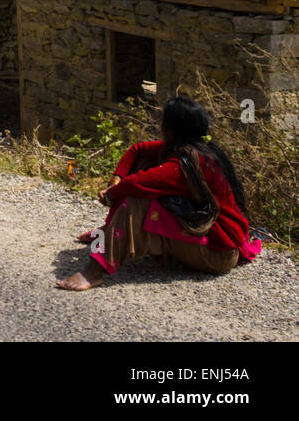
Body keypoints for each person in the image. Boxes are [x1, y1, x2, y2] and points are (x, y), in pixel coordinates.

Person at [56, 95, 261, 291]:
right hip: (213, 239)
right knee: (143, 165)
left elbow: (136, 184)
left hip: (216, 254)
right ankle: (110, 230)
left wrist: (112, 193)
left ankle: (94, 271)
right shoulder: (197, 150)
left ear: (171, 130)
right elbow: (137, 150)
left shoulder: (184, 165)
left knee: (135, 201)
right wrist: (115, 179)